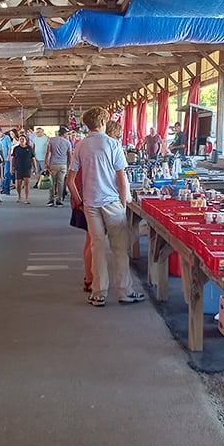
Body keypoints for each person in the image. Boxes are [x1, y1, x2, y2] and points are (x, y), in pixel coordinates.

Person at [67, 106, 145, 307]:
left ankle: (98, 292)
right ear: (103, 123)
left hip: (90, 204)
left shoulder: (81, 146)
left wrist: (79, 200)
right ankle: (125, 291)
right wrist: (123, 201)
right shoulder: (112, 144)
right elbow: (121, 177)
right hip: (111, 202)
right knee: (119, 248)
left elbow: (70, 180)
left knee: (97, 247)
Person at [69, 157, 93, 293]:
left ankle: (89, 277)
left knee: (90, 241)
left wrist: (78, 203)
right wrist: (81, 203)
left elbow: (71, 182)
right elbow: (70, 182)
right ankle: (89, 278)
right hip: (89, 203)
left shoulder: (79, 159)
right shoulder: (89, 163)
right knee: (92, 242)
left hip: (82, 203)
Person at [44, 126, 72, 207]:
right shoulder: (67, 143)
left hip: (53, 164)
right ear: (65, 134)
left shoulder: (51, 140)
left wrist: (46, 162)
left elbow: (48, 152)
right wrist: (70, 166)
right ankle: (59, 200)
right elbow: (70, 156)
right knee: (61, 183)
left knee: (52, 183)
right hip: (63, 165)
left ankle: (51, 200)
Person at [12, 133, 35, 204]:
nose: (22, 140)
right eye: (20, 139)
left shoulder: (29, 148)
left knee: (26, 184)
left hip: (27, 167)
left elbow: (33, 158)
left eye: (23, 139)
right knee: (18, 184)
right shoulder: (16, 148)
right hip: (18, 167)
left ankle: (26, 198)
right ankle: (19, 196)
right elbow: (13, 158)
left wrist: (35, 168)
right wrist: (12, 167)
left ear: (26, 140)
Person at [0, 129, 15, 195]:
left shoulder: (7, 138)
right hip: (0, 159)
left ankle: (6, 189)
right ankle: (3, 188)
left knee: (7, 174)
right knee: (2, 174)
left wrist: (8, 157)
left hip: (6, 159)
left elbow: (9, 148)